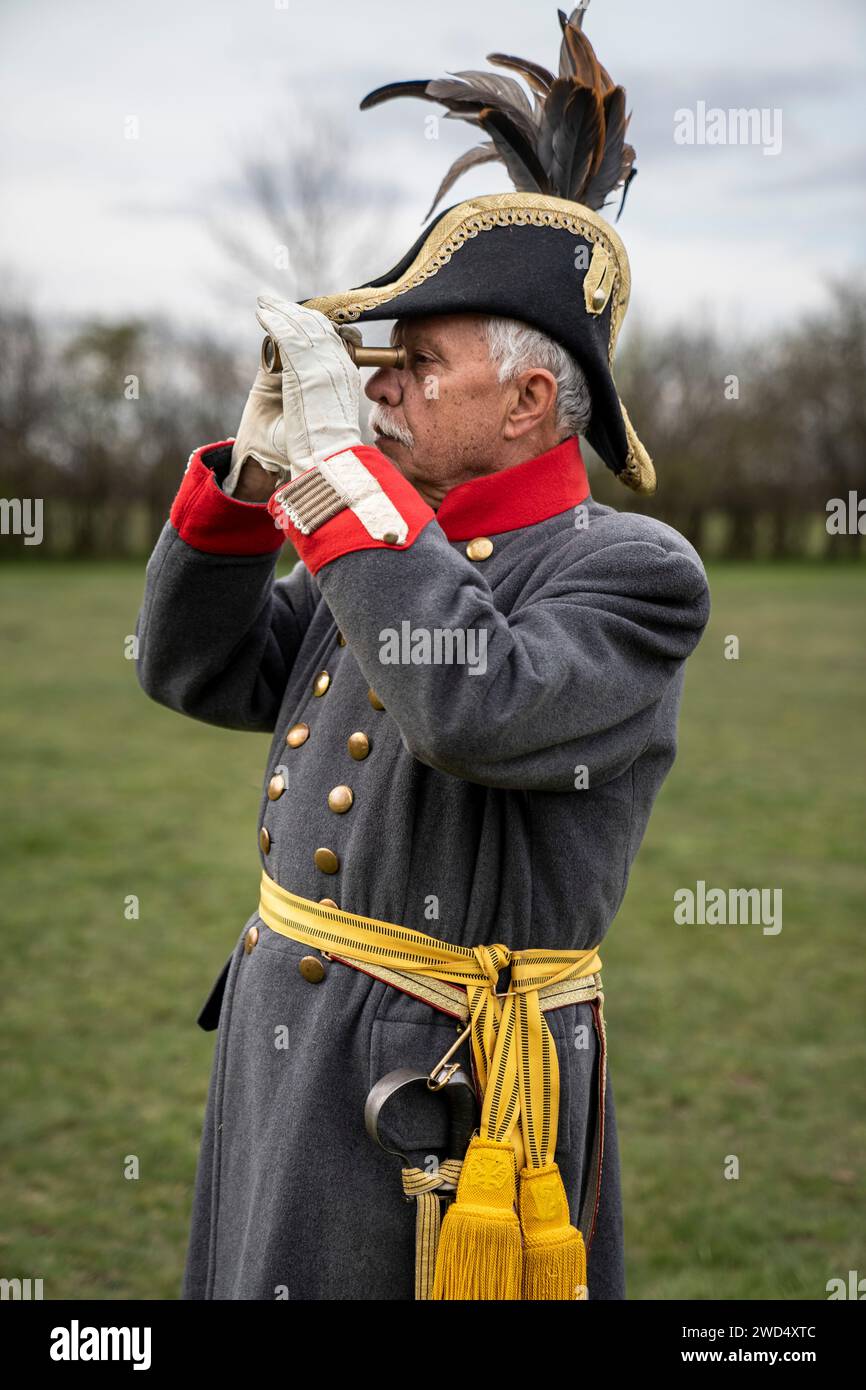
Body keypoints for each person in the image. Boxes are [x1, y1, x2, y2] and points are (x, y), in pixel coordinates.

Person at [135, 6, 711, 1300]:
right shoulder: (394, 549)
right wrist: (247, 480)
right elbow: (195, 672)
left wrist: (344, 490)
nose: (378, 387)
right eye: (376, 364)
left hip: (440, 1065)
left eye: (415, 362)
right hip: (292, 1031)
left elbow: (475, 706)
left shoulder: (630, 570)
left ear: (525, 399)